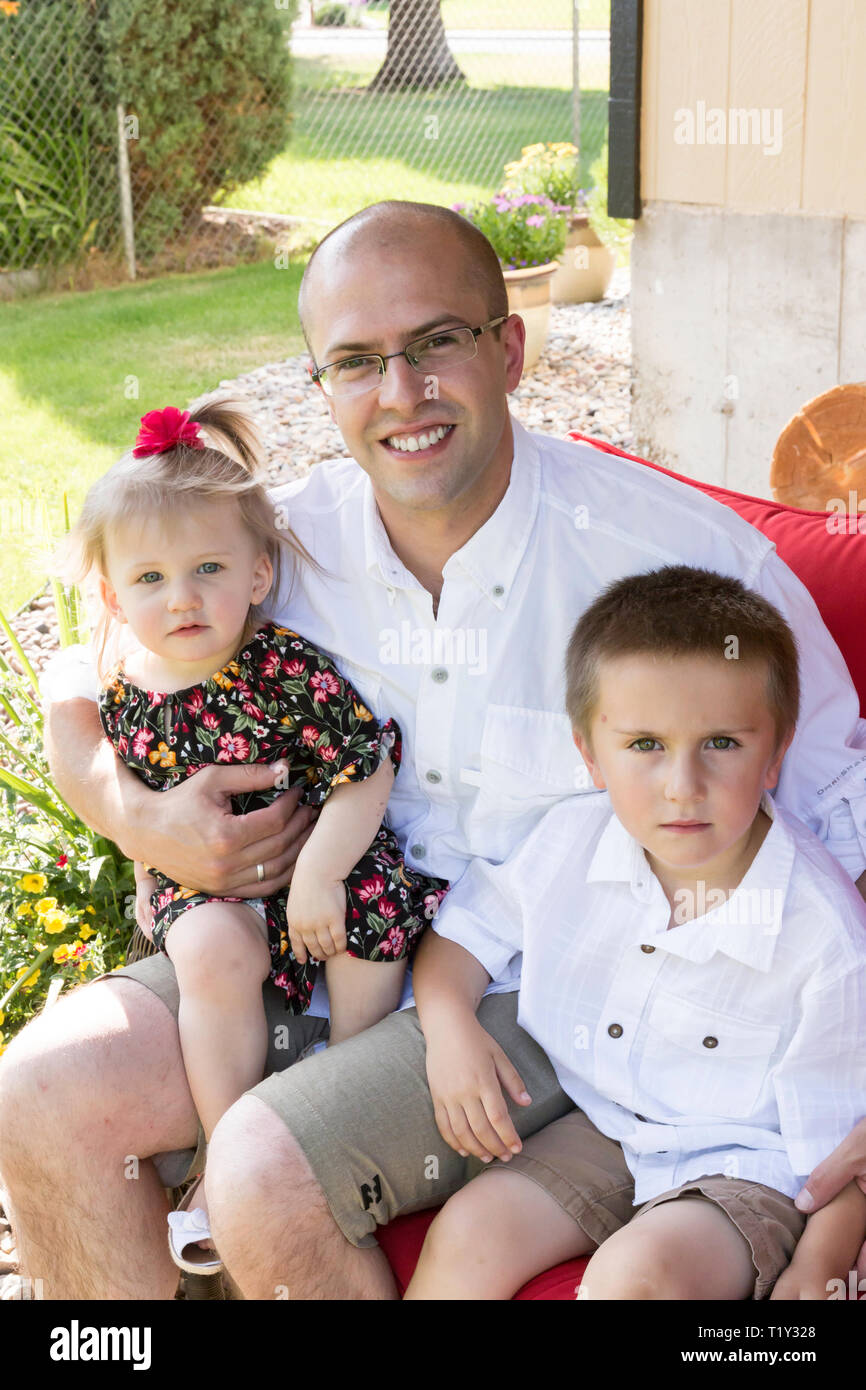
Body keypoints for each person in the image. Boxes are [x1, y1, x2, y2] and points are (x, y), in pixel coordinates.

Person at [2, 200, 866, 1301]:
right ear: (318, 385)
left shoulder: (676, 564)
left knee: (266, 1167)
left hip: (539, 985)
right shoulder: (280, 543)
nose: (400, 395)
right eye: (356, 361)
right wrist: (125, 807)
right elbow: (85, 662)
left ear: (508, 346)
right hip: (304, 941)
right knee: (38, 1091)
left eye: (435, 343)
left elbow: (837, 810)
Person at [56, 395, 447, 1272]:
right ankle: (219, 1150)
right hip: (212, 887)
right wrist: (148, 858)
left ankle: (336, 1086)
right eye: (150, 581)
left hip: (317, 861)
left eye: (207, 569)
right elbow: (136, 806)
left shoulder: (279, 668)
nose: (182, 598)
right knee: (209, 953)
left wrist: (322, 873)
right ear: (114, 597)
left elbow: (365, 763)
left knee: (366, 915)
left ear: (259, 574)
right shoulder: (124, 689)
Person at [404, 566, 866, 1300]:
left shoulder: (823, 936)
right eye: (646, 744)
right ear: (590, 754)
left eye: (721, 743)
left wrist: (820, 1266)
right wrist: (450, 1022)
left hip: (745, 1161)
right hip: (607, 1125)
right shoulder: (568, 840)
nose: (682, 784)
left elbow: (842, 1148)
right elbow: (465, 936)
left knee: (635, 1278)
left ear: (775, 754)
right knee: (470, 1232)